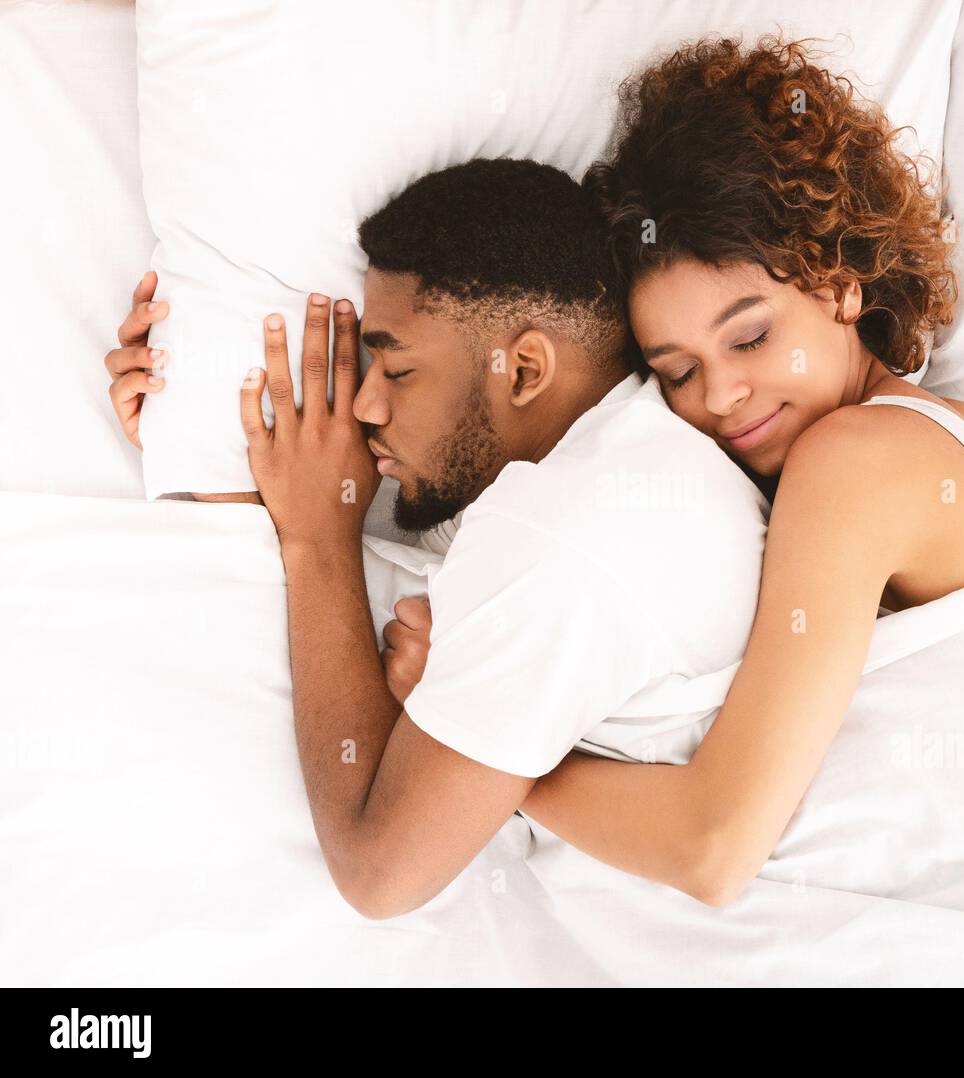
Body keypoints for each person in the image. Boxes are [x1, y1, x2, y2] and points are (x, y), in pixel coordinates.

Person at [384, 36, 964, 907]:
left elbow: (713, 849)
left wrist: (503, 757)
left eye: (751, 336)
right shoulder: (913, 440)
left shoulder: (853, 464)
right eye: (676, 371)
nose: (720, 395)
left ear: (840, 284)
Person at [104, 158, 768, 918]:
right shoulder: (617, 458)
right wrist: (197, 435)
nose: (364, 403)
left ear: (521, 368)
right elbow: (386, 530)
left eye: (397, 367)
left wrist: (316, 541)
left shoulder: (556, 536)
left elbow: (376, 871)